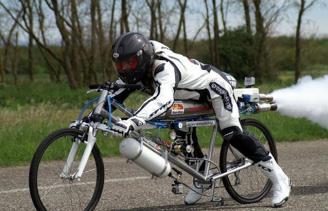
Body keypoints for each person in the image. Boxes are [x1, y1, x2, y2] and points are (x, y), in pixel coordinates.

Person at [108, 32, 291, 208]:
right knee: (180, 132)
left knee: (231, 133)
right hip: (188, 94)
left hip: (214, 88)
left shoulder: (164, 68)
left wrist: (133, 121)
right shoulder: (141, 63)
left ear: (142, 57)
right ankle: (203, 176)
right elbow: (114, 95)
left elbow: (163, 99)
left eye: (128, 63)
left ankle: (279, 179)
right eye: (120, 65)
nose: (124, 69)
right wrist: (90, 118)